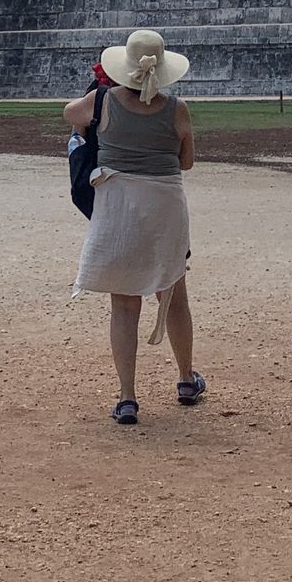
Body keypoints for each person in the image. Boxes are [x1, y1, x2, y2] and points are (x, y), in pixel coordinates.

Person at [64, 28, 203, 425]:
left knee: (124, 305)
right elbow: (186, 161)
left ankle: (127, 397)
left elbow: (70, 114)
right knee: (173, 297)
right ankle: (185, 378)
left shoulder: (102, 100)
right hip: (163, 207)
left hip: (119, 207)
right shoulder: (177, 109)